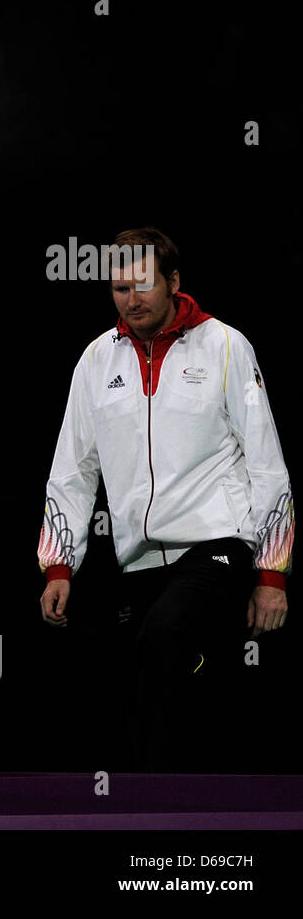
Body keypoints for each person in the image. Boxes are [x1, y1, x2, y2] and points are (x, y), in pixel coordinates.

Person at [37, 227, 291, 771]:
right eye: (119, 287)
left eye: (143, 284)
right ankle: (164, 802)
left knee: (166, 636)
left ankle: (160, 801)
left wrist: (271, 575)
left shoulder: (225, 345)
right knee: (134, 678)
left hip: (218, 543)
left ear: (174, 282)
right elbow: (72, 471)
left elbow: (267, 462)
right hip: (138, 558)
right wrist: (59, 565)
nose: (132, 299)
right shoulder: (96, 361)